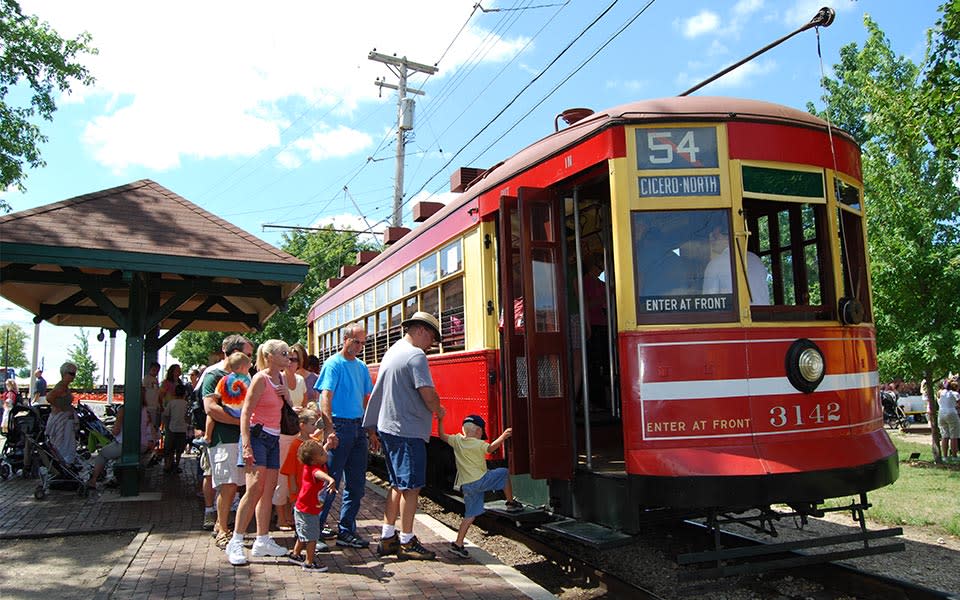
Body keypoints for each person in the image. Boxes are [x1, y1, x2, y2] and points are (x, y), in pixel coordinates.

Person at [362, 311, 444, 561]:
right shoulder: (415, 356)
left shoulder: (394, 350)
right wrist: (438, 410)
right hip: (407, 430)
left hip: (390, 428)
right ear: (421, 330)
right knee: (411, 487)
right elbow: (427, 392)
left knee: (397, 484)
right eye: (431, 337)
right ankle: (407, 540)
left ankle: (388, 537)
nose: (430, 344)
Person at [225, 339, 292, 566]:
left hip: (273, 438)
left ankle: (262, 540)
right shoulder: (260, 378)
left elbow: (287, 408)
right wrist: (246, 445)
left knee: (268, 491)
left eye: (289, 353)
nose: (288, 357)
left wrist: (287, 395)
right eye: (284, 353)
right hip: (258, 437)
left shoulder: (280, 378)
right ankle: (235, 541)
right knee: (254, 489)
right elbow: (246, 413)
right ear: (270, 356)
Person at [315, 322, 375, 549]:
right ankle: (315, 530)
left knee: (357, 484)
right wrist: (329, 429)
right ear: (345, 340)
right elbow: (325, 397)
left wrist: (370, 429)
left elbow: (365, 399)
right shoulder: (333, 364)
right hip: (339, 426)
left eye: (362, 342)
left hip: (358, 427)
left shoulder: (361, 367)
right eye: (356, 341)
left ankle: (346, 530)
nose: (359, 346)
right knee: (330, 480)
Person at [437, 413, 521, 558]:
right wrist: (503, 436)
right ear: (477, 431)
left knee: (470, 516)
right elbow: (491, 448)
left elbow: (442, 435)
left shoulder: (456, 440)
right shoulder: (478, 444)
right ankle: (510, 502)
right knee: (504, 473)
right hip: (480, 480)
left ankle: (458, 544)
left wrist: (440, 420)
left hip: (467, 486)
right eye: (481, 430)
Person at [201, 335, 253, 545]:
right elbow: (211, 408)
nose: (250, 360)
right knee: (227, 485)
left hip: (243, 439)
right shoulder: (214, 375)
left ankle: (226, 526)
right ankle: (222, 529)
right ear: (233, 354)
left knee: (242, 484)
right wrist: (241, 422)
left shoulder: (247, 375)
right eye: (248, 355)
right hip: (224, 440)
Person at [273, 344, 308, 531]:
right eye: (288, 358)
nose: (291, 362)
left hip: (297, 432)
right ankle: (281, 517)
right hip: (282, 432)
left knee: (295, 474)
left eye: (295, 359)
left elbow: (303, 403)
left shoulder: (301, 380)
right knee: (282, 475)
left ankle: (291, 515)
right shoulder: (278, 380)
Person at [289, 438, 336, 572]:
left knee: (303, 533)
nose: (325, 454)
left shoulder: (316, 462)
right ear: (314, 460)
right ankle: (309, 562)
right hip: (307, 510)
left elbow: (322, 453)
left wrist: (327, 445)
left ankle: (295, 554)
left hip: (307, 508)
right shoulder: (313, 469)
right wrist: (330, 479)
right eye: (322, 453)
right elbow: (318, 474)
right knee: (313, 536)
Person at [702, 226, 770, 305]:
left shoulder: (715, 264)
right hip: (763, 314)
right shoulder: (756, 259)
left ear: (728, 237)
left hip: (735, 316)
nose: (711, 241)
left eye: (714, 236)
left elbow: (710, 303)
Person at [45, 362, 79, 464]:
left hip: (65, 419)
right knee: (64, 446)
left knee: (67, 445)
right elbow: (49, 397)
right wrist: (59, 407)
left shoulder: (64, 386)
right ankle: (64, 465)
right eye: (72, 373)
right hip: (62, 420)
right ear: (65, 374)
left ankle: (66, 465)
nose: (74, 376)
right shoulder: (61, 387)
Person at [162, 383, 190, 473]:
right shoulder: (186, 404)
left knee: (170, 449)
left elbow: (166, 415)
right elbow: (188, 417)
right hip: (182, 429)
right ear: (184, 393)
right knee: (179, 450)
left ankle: (168, 465)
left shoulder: (171, 403)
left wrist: (166, 426)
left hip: (171, 428)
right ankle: (176, 465)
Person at [142, 362, 162, 453]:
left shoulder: (156, 380)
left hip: (154, 406)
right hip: (149, 405)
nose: (156, 372)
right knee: (149, 427)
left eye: (157, 371)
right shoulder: (147, 378)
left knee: (154, 426)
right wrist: (144, 402)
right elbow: (143, 390)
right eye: (154, 370)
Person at [937, 380, 959, 462]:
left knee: (944, 435)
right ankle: (954, 456)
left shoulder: (940, 393)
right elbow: (958, 403)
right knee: (954, 435)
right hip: (952, 413)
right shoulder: (954, 393)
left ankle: (945, 457)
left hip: (941, 413)